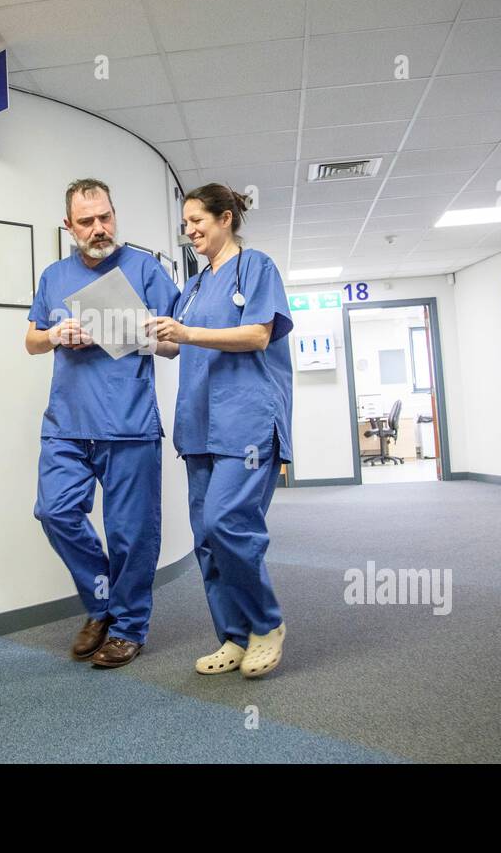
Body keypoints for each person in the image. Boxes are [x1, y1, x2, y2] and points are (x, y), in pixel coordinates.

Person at [25, 178, 180, 668]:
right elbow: (31, 340)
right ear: (68, 226)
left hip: (128, 423)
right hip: (67, 423)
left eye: (105, 217)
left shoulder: (145, 268)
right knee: (54, 513)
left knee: (131, 533)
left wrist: (131, 333)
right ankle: (101, 604)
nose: (98, 228)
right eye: (86, 221)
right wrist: (55, 334)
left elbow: (178, 343)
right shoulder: (54, 275)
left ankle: (129, 627)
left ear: (115, 215)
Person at [146, 183, 293, 678]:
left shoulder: (256, 268)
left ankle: (266, 624)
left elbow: (257, 333)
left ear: (225, 217)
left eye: (196, 222)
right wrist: (138, 335)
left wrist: (186, 333)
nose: (189, 231)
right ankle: (232, 636)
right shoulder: (191, 287)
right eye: (185, 224)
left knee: (230, 522)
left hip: (247, 422)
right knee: (206, 536)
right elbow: (177, 347)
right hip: (200, 423)